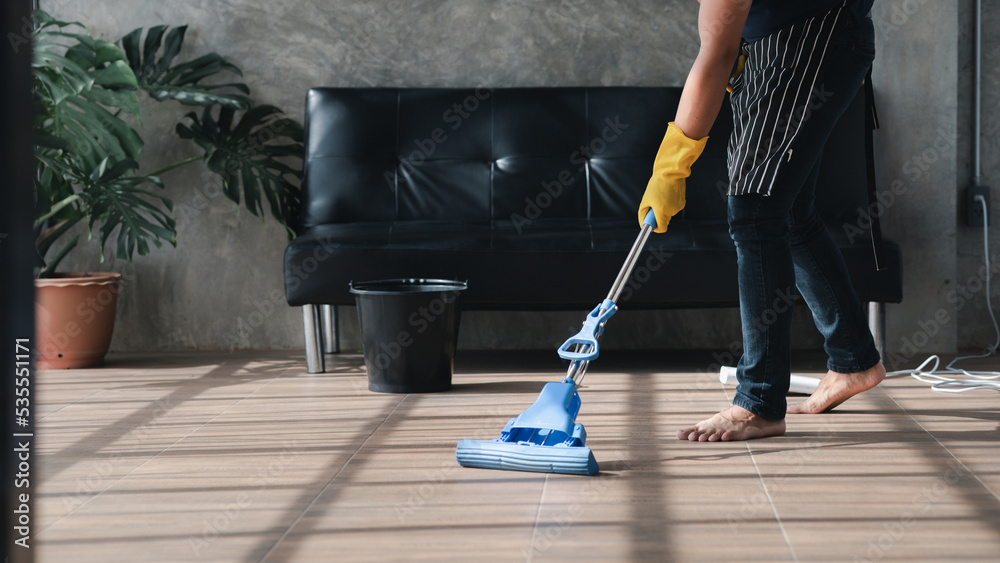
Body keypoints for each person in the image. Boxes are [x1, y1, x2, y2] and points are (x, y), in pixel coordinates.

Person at [638, 0, 886, 442]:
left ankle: (758, 403)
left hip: (804, 43)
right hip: (810, 39)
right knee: (788, 214)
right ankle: (853, 359)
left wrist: (671, 167)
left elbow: (716, 54)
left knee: (755, 213)